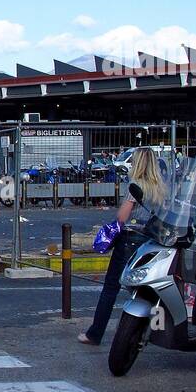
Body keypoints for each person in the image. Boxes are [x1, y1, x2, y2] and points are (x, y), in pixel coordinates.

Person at [79, 146, 167, 345]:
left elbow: (122, 217)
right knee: (150, 289)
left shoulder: (134, 185)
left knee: (111, 288)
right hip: (152, 240)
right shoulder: (161, 188)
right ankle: (156, 331)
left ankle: (95, 333)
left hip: (130, 239)